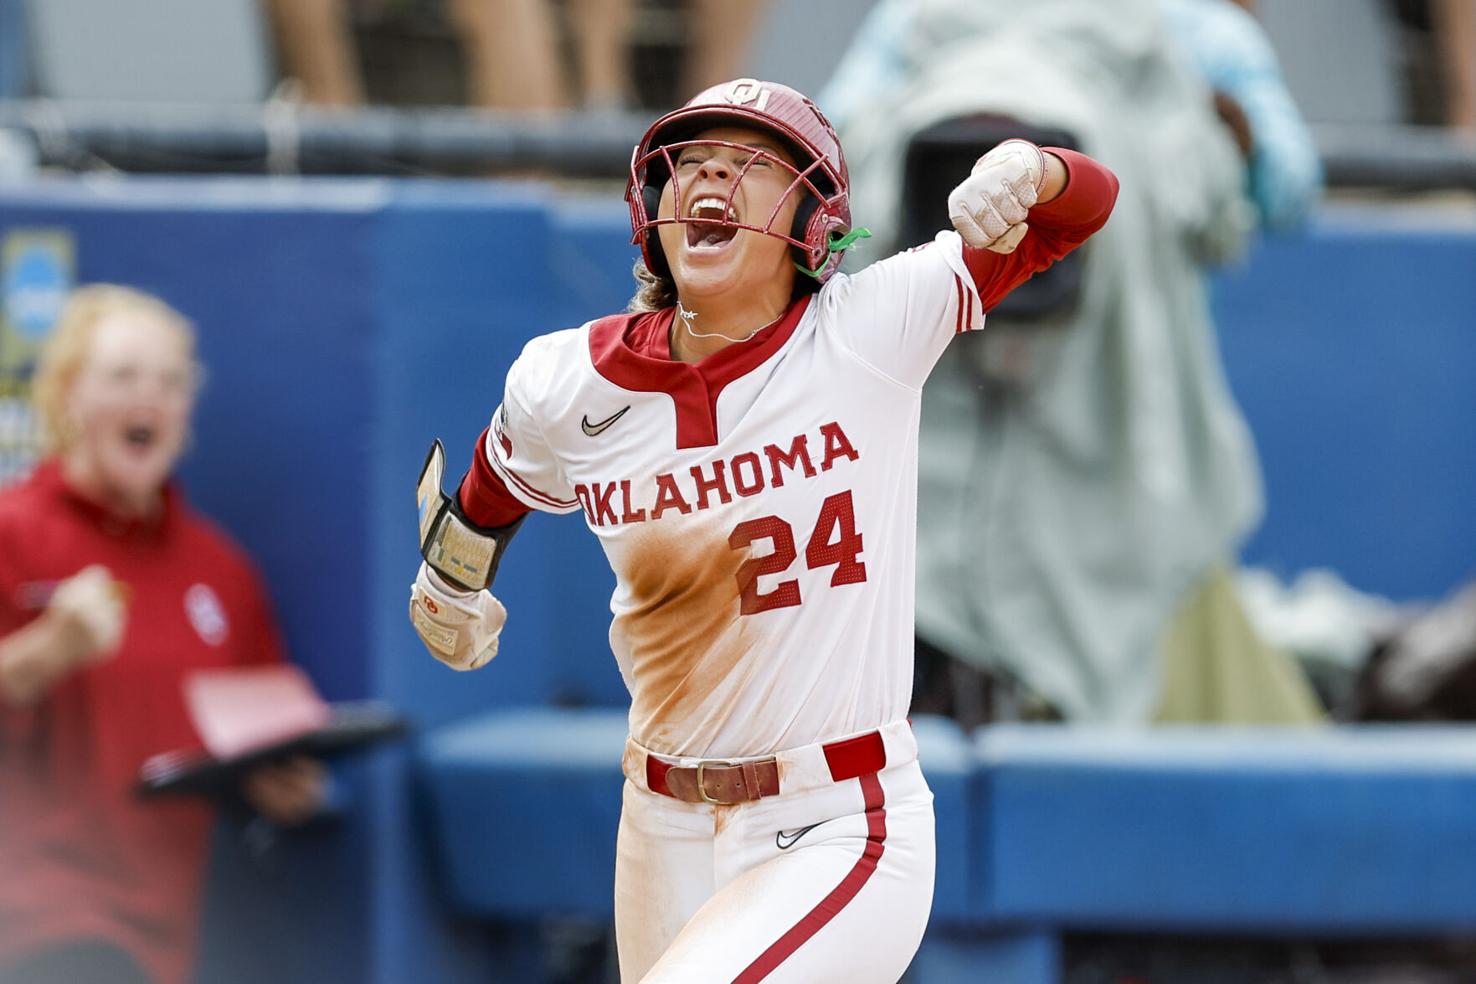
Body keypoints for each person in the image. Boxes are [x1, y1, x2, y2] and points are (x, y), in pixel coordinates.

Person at [408, 77, 1117, 980]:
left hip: (836, 818)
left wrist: (1036, 169)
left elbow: (1083, 208)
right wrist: (452, 579)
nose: (711, 180)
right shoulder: (566, 382)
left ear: (813, 220)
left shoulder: (869, 331)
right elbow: (494, 480)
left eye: (750, 164)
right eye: (691, 162)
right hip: (660, 820)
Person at [822, 0, 1324, 726]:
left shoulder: (914, 16)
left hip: (1120, 427)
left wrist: (1225, 136)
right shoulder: (1199, 27)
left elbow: (826, 161)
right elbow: (1288, 185)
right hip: (953, 432)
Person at [0, 285, 326, 984]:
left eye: (171, 381)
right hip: (34, 924)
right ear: (65, 398)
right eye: (122, 377)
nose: (148, 397)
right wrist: (45, 651)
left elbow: (260, 731)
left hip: (172, 934)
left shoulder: (219, 568)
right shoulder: (12, 532)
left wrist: (282, 782)